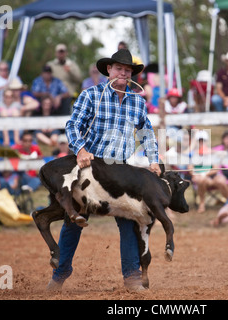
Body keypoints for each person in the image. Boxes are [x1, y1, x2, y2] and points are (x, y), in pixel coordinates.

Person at [52, 49, 160, 292]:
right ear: (108, 70)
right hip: (90, 169)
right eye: (119, 68)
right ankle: (59, 274)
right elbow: (73, 126)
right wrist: (80, 150)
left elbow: (147, 134)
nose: (123, 73)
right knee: (74, 221)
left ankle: (132, 277)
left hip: (118, 171)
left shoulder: (137, 102)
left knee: (128, 219)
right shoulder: (91, 95)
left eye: (128, 70)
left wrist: (154, 160)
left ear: (132, 74)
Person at [189, 131, 228, 213]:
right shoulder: (193, 154)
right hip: (201, 178)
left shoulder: (212, 152)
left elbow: (216, 168)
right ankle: (202, 203)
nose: (201, 143)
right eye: (199, 141)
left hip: (212, 176)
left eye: (203, 141)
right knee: (201, 180)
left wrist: (205, 174)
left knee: (221, 181)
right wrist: (197, 175)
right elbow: (190, 168)